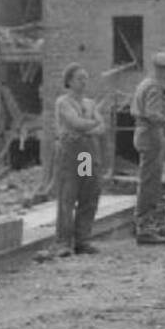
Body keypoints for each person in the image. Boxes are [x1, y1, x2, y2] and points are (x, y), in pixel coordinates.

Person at [40, 63, 105, 260]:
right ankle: (63, 242)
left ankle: (82, 240)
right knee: (68, 195)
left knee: (88, 193)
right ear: (69, 81)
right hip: (70, 152)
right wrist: (91, 124)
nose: (84, 82)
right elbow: (75, 123)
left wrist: (88, 126)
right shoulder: (63, 102)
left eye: (86, 78)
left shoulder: (90, 103)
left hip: (86, 152)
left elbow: (101, 128)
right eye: (79, 78)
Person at [132, 52, 165, 244]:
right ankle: (145, 226)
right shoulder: (154, 86)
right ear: (164, 70)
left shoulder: (144, 83)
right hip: (150, 134)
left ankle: (148, 221)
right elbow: (153, 113)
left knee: (150, 178)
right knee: (150, 182)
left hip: (145, 133)